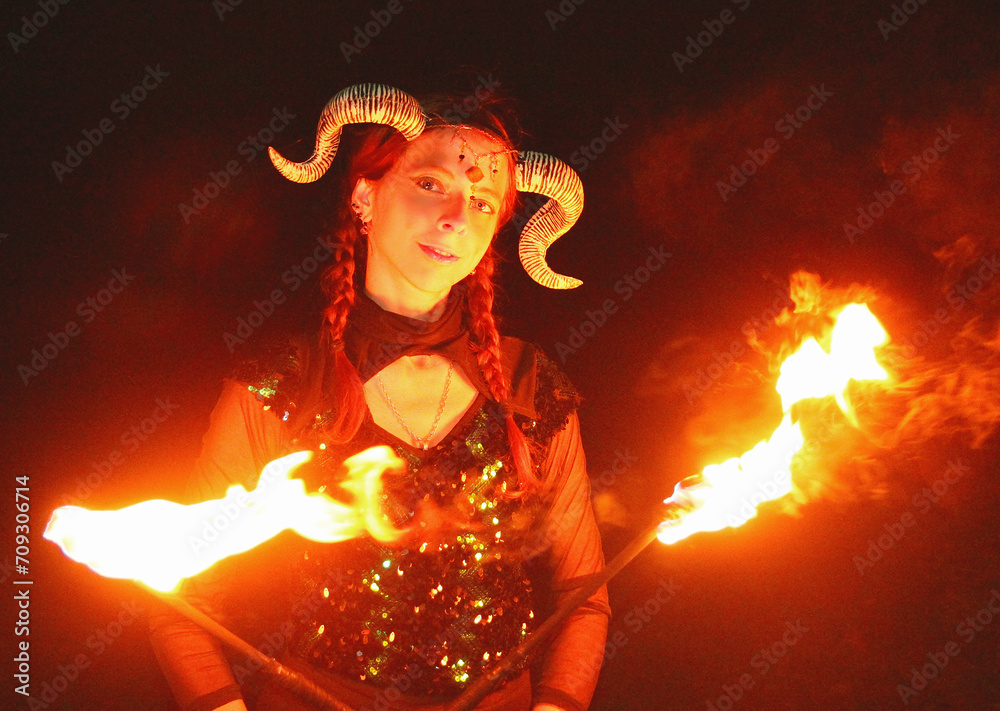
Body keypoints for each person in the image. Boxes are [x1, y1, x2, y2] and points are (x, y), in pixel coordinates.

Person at [149, 83, 609, 711]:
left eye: (481, 200)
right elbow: (184, 599)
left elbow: (587, 594)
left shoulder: (532, 384)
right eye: (431, 184)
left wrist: (556, 707)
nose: (455, 217)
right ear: (366, 194)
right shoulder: (278, 382)